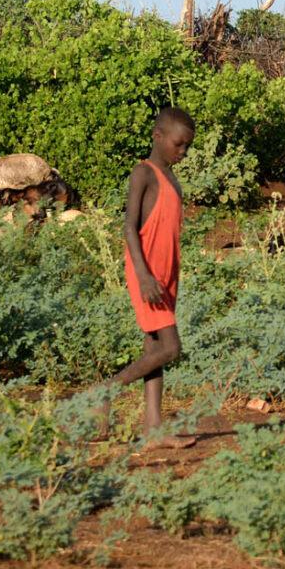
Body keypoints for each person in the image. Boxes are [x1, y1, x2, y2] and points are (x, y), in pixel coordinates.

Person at [99, 106, 196, 445]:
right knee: (170, 348)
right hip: (148, 272)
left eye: (187, 147)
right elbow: (129, 228)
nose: (182, 152)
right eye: (178, 144)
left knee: (154, 347)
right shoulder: (144, 173)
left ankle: (153, 428)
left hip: (166, 273)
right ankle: (104, 392)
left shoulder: (171, 177)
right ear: (158, 136)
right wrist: (143, 275)